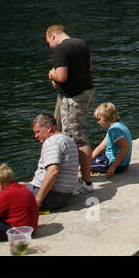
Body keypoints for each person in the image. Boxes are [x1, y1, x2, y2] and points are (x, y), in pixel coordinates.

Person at [44, 24, 94, 192]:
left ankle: (86, 182)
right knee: (76, 134)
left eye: (48, 43)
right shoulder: (81, 44)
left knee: (78, 138)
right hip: (86, 92)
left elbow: (62, 76)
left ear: (52, 36)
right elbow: (89, 68)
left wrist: (52, 74)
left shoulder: (61, 49)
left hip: (72, 98)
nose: (50, 47)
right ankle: (78, 176)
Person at [27, 113, 81, 210]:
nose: (36, 136)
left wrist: (37, 200)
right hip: (65, 196)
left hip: (50, 196)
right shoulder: (68, 140)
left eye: (37, 132)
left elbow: (53, 171)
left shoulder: (52, 142)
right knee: (18, 185)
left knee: (5, 192)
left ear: (48, 128)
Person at [89, 102, 132, 177]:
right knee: (86, 161)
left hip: (115, 165)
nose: (98, 122)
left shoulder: (114, 130)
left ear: (106, 117)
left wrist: (113, 167)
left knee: (84, 167)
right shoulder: (119, 125)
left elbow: (125, 147)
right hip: (122, 163)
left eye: (99, 119)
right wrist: (89, 158)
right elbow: (101, 146)